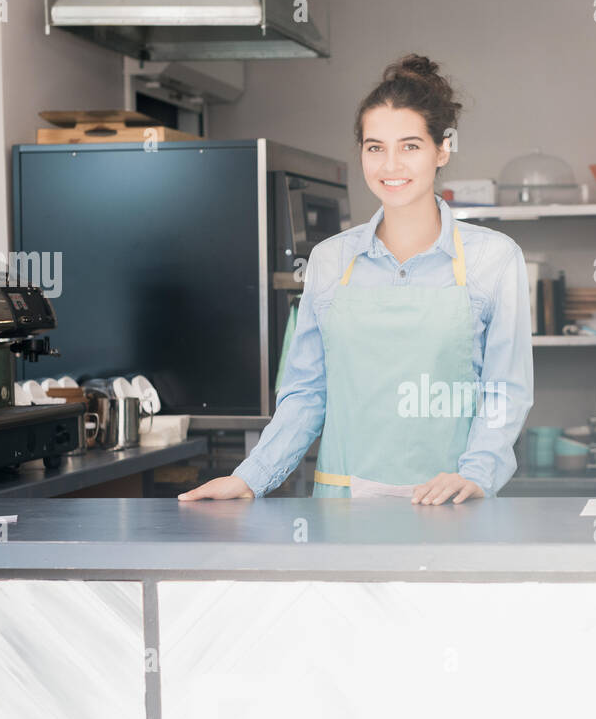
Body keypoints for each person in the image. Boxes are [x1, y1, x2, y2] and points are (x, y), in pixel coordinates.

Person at [179, 54, 534, 505]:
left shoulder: (494, 259)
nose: (391, 165)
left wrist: (478, 475)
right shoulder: (329, 261)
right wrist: (251, 477)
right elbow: (306, 394)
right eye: (374, 147)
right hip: (343, 509)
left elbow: (505, 393)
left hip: (451, 506)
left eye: (410, 146)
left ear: (442, 148)